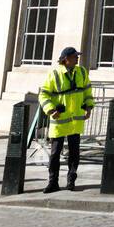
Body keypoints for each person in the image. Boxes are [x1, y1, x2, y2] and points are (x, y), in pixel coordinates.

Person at [38, 47, 95, 193]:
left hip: (75, 121)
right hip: (60, 121)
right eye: (74, 56)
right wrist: (51, 110)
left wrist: (88, 107)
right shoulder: (55, 74)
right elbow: (43, 94)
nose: (77, 58)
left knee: (74, 153)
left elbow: (87, 91)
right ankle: (53, 182)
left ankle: (71, 181)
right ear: (65, 59)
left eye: (77, 56)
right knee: (55, 154)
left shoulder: (81, 72)